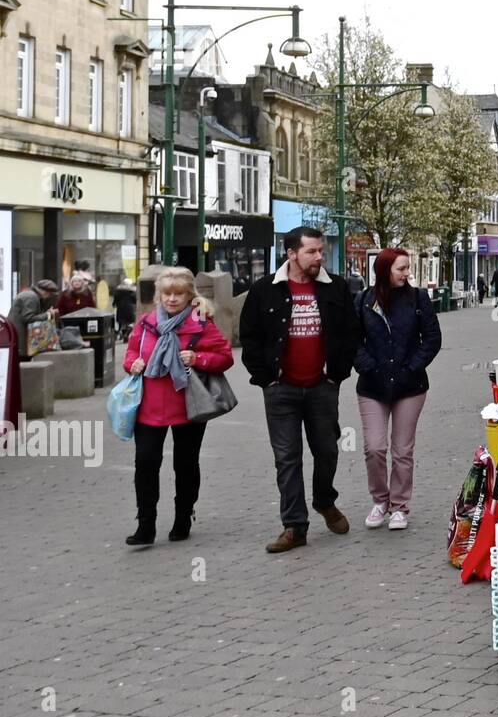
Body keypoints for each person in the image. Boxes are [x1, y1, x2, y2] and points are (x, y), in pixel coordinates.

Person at [240, 226, 361, 554]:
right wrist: (266, 378)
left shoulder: (335, 287)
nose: (319, 257)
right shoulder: (266, 289)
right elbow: (249, 337)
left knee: (327, 451)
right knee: (287, 458)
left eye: (320, 251)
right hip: (281, 389)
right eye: (311, 251)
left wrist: (337, 374)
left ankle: (324, 500)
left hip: (322, 387)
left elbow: (352, 331)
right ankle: (294, 526)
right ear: (291, 253)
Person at [122, 267, 234, 546]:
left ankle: (183, 516)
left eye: (178, 294)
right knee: (146, 464)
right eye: (167, 294)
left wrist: (197, 358)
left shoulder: (201, 324)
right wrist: (132, 364)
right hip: (149, 406)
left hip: (188, 405)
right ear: (159, 295)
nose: (172, 299)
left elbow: (225, 357)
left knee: (185, 464)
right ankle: (145, 525)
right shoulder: (146, 323)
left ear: (189, 296)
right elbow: (132, 353)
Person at [354, 248, 441, 530]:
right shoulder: (364, 301)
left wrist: (412, 367)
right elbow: (352, 340)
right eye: (401, 269)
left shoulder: (418, 299)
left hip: (410, 386)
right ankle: (380, 501)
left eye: (407, 268)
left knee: (402, 450)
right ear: (385, 270)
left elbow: (431, 338)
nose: (407, 273)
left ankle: (400, 506)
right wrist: (368, 367)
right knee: (375, 447)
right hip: (373, 386)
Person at [7, 279, 59, 358]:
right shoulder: (31, 297)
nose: (48, 297)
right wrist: (48, 314)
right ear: (46, 292)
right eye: (50, 295)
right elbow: (28, 318)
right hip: (21, 337)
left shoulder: (30, 294)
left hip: (18, 335)